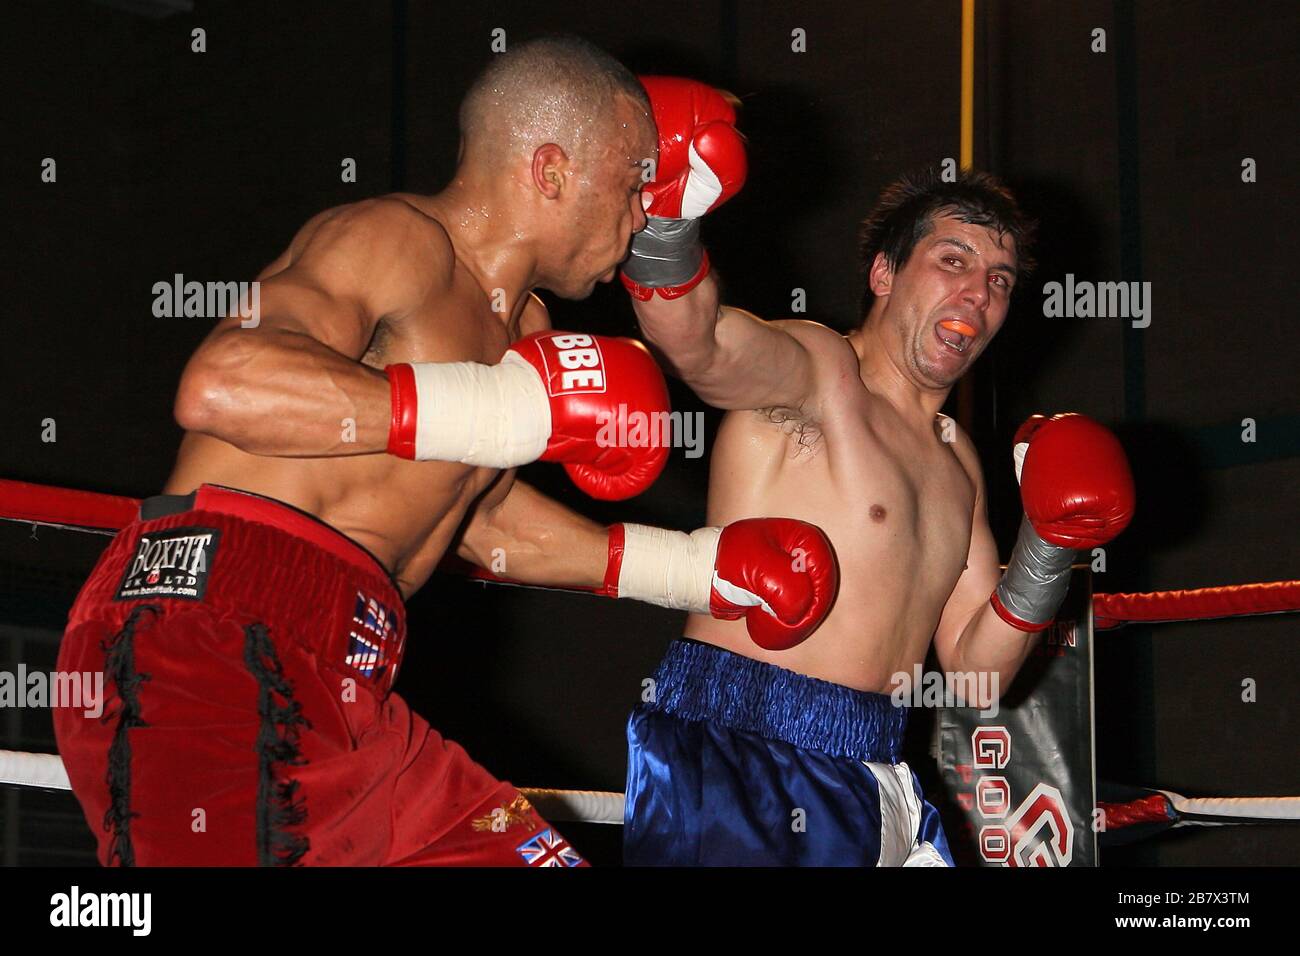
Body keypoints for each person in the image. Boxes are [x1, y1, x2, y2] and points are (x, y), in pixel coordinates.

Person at [52, 39, 835, 867]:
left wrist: (689, 568)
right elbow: (222, 384)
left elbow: (481, 516)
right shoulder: (394, 241)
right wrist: (510, 410)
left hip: (355, 681)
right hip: (208, 632)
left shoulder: (527, 337)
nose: (645, 211)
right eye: (635, 178)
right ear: (552, 170)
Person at [617, 78, 1136, 865]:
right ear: (885, 274)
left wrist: (1048, 547)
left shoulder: (959, 457)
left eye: (999, 280)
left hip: (881, 763)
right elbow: (701, 346)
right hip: (744, 757)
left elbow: (973, 670)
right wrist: (668, 214)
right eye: (952, 260)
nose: (979, 293)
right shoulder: (819, 373)